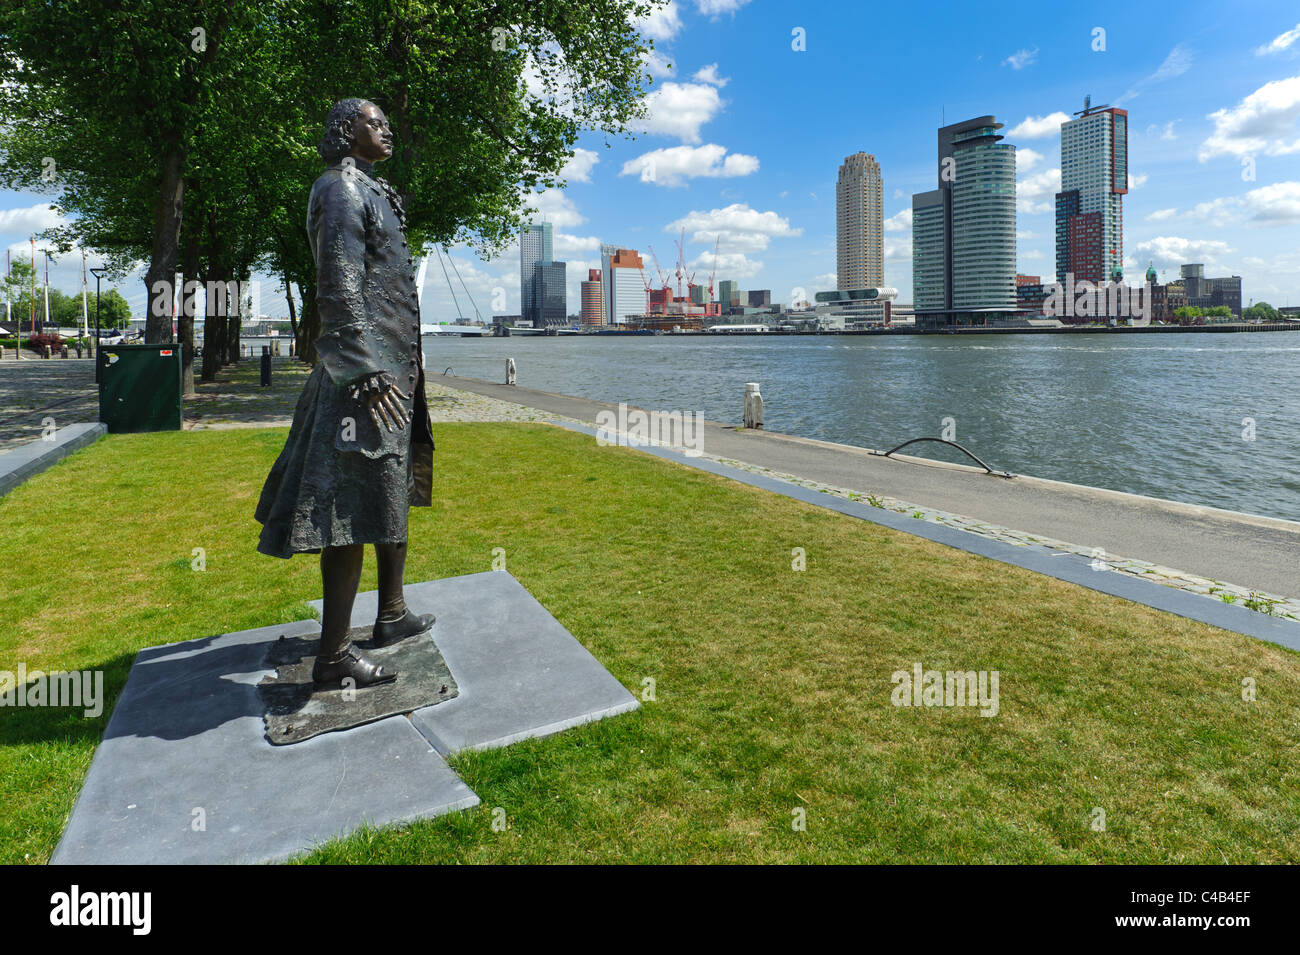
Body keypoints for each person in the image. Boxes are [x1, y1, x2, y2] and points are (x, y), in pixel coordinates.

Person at [254, 98, 436, 688]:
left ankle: (391, 614)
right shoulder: (339, 189)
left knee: (390, 489)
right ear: (344, 130)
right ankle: (333, 657)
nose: (385, 128)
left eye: (386, 121)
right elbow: (338, 284)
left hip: (394, 371)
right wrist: (363, 370)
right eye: (372, 121)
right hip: (364, 378)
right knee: (351, 511)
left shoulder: (374, 190)